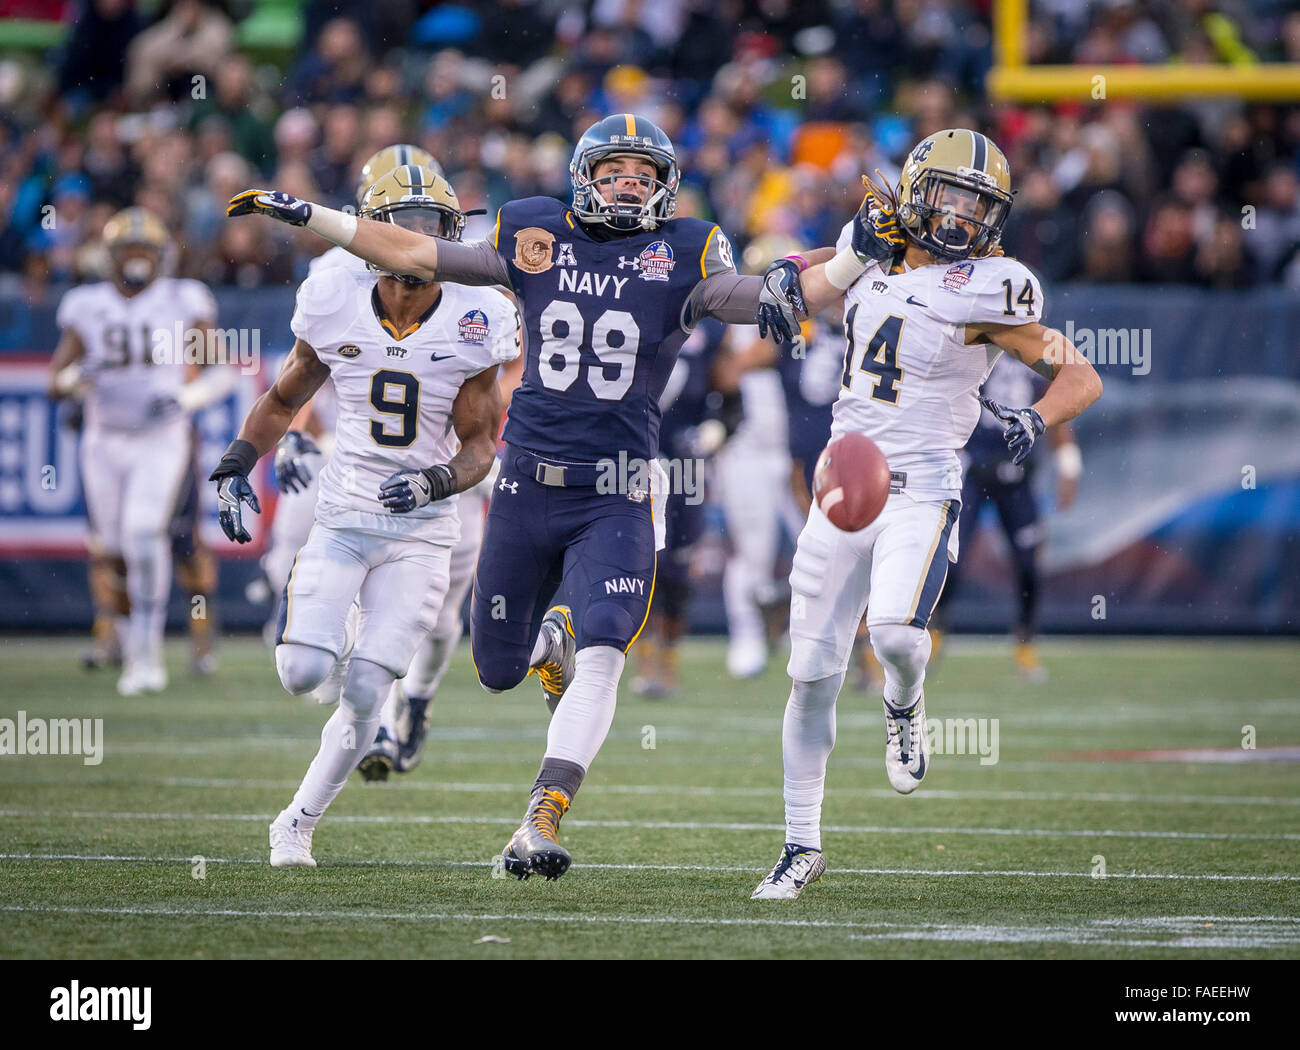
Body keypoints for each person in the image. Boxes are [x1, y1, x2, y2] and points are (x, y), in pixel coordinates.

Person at [227, 113, 803, 880]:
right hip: (527, 481)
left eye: (645, 172)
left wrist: (831, 264)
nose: (629, 183)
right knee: (497, 667)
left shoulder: (686, 249)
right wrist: (310, 215)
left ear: (667, 186)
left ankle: (542, 817)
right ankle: (536, 647)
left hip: (621, 485)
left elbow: (756, 291)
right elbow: (405, 251)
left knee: (603, 645)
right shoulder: (530, 235)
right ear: (583, 177)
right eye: (614, 170)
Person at [748, 129, 1103, 899]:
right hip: (842, 483)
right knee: (809, 673)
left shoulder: (989, 286)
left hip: (923, 486)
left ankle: (903, 702)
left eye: (979, 204)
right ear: (917, 189)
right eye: (950, 194)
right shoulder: (869, 245)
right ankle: (800, 843)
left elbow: (1080, 370)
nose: (961, 215)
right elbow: (802, 282)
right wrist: (793, 264)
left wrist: (1036, 422)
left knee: (898, 634)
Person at [213, 166, 518, 867]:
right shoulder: (333, 296)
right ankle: (338, 629)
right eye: (402, 224)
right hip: (346, 512)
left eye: (432, 226)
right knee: (301, 672)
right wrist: (236, 462)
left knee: (365, 693)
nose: (417, 242)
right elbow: (286, 398)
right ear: (367, 235)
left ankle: (296, 821)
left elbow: (479, 446)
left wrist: (436, 481)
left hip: (422, 530)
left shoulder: (479, 314)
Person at [48, 207, 234, 696]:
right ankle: (131, 649)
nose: (136, 258)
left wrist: (184, 398)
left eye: (145, 250)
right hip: (104, 439)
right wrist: (74, 378)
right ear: (110, 257)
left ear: (160, 256)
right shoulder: (86, 305)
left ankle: (149, 655)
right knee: (112, 550)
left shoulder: (182, 299)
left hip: (161, 436)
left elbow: (223, 370)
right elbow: (55, 380)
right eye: (128, 250)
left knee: (144, 532)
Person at [930, 353, 1082, 680]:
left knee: (1028, 564)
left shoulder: (1036, 352)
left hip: (1018, 475)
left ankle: (1025, 645)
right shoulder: (976, 341)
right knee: (948, 558)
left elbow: (1056, 408)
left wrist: (1068, 465)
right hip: (972, 471)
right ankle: (933, 635)